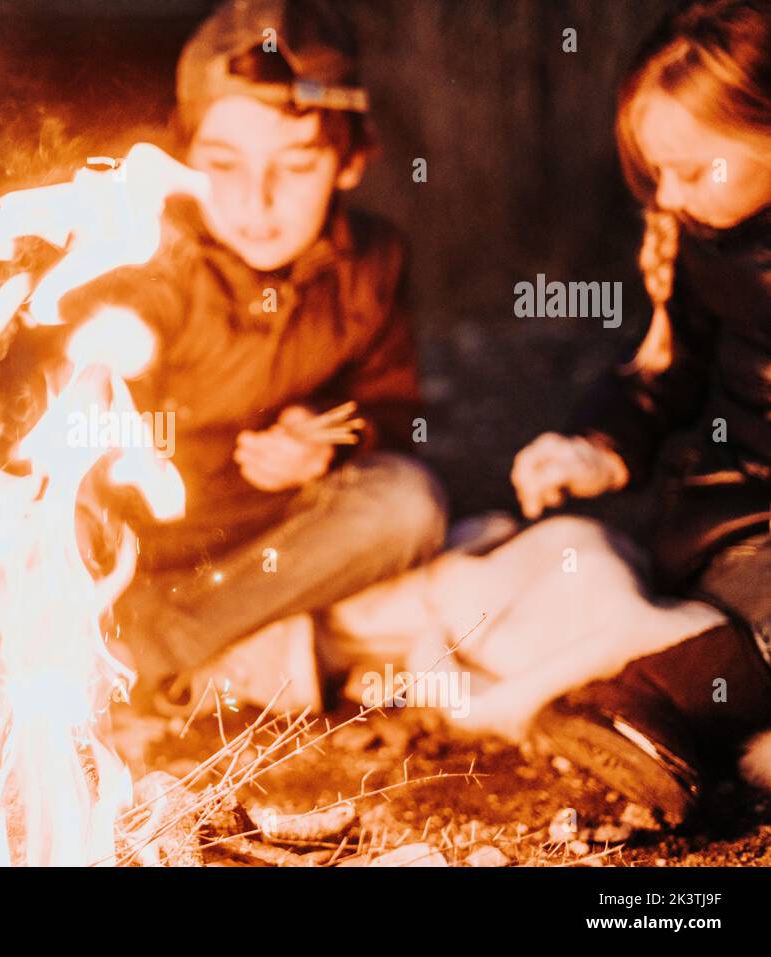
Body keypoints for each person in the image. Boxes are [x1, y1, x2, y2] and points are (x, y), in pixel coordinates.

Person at [64, 0, 447, 712]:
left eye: (295, 165)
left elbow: (394, 415)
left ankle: (153, 648)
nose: (256, 201)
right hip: (125, 537)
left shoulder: (371, 263)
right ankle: (135, 633)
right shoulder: (152, 254)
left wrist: (329, 438)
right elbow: (95, 359)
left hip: (256, 537)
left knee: (408, 503)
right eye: (222, 165)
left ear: (351, 160)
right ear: (182, 165)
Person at [514, 0, 771, 825]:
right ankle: (641, 703)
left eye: (696, 171)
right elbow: (663, 372)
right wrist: (598, 444)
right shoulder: (701, 244)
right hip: (737, 515)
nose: (670, 194)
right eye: (658, 171)